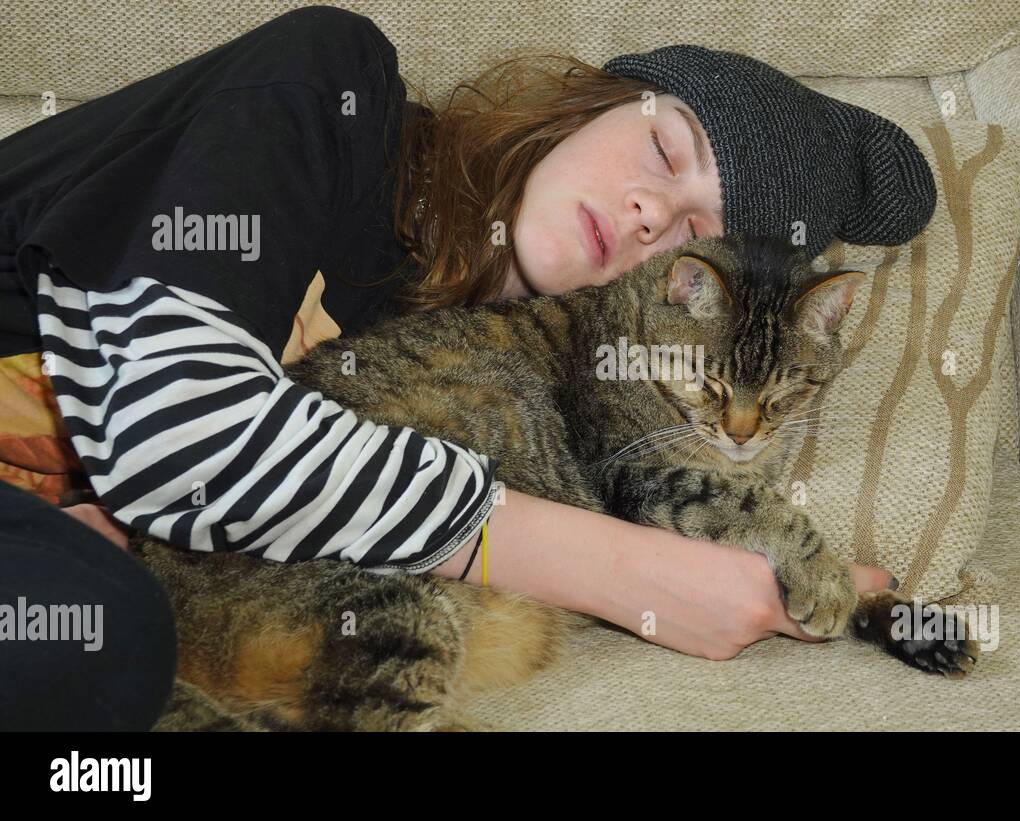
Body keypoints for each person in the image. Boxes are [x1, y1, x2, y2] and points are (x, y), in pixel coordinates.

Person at [0, 6, 936, 730]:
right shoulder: (334, 87)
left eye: (699, 234)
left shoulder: (490, 367)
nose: (653, 212)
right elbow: (182, 433)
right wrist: (620, 569)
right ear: (593, 100)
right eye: (663, 147)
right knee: (95, 634)